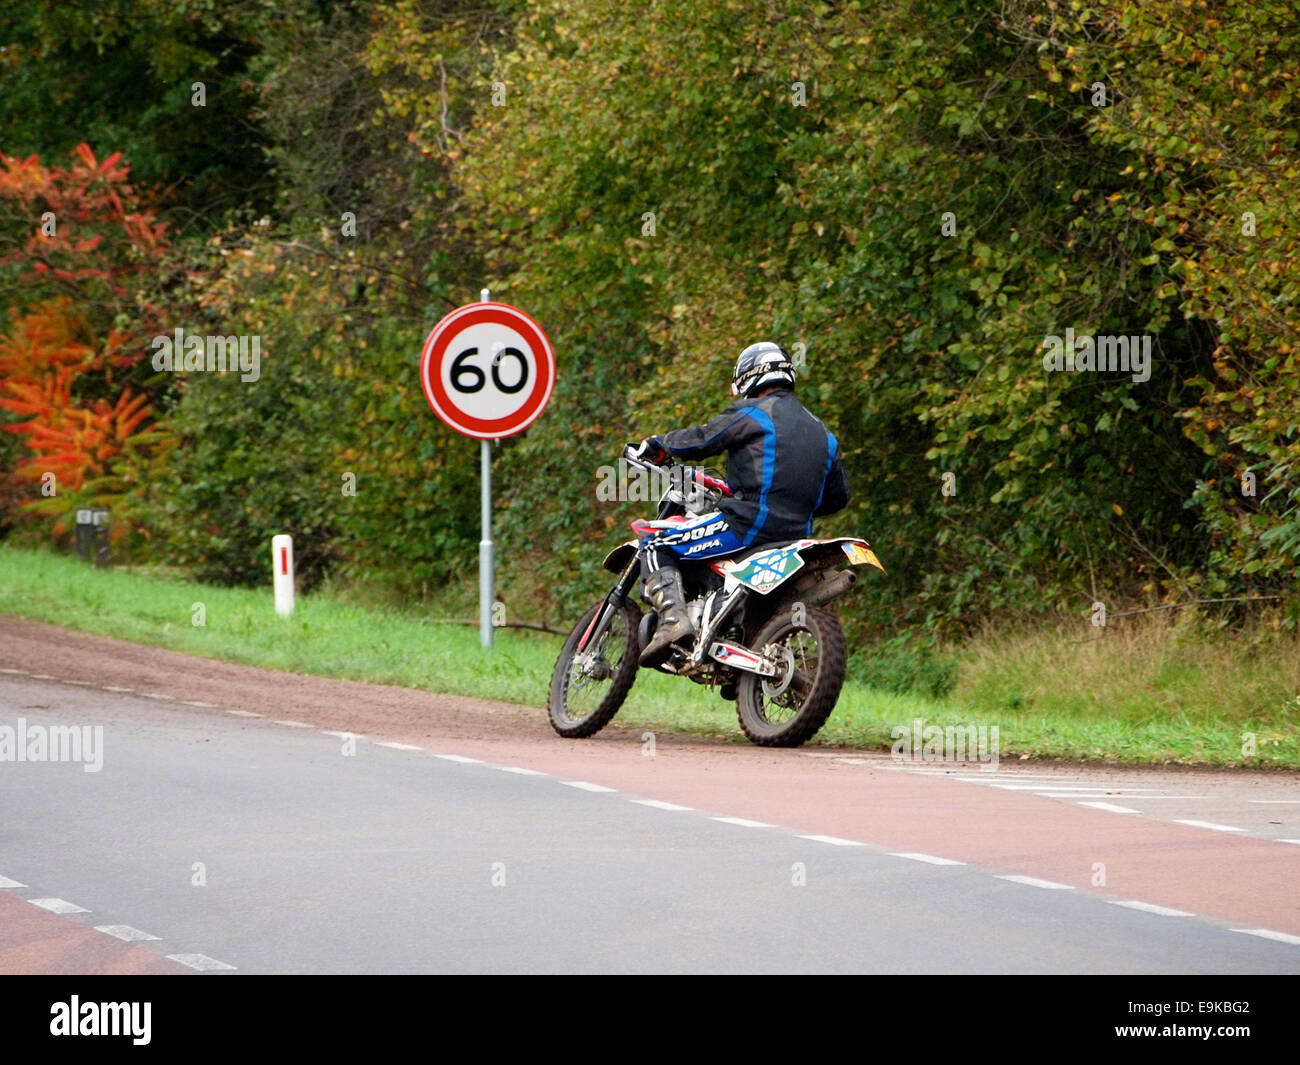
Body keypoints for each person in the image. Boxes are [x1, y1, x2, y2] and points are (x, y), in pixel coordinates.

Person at [631, 341, 849, 665]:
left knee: (654, 541)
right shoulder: (823, 433)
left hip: (747, 524)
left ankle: (674, 623)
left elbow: (705, 437)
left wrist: (659, 445)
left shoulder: (756, 413)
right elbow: (837, 498)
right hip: (796, 534)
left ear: (749, 376)